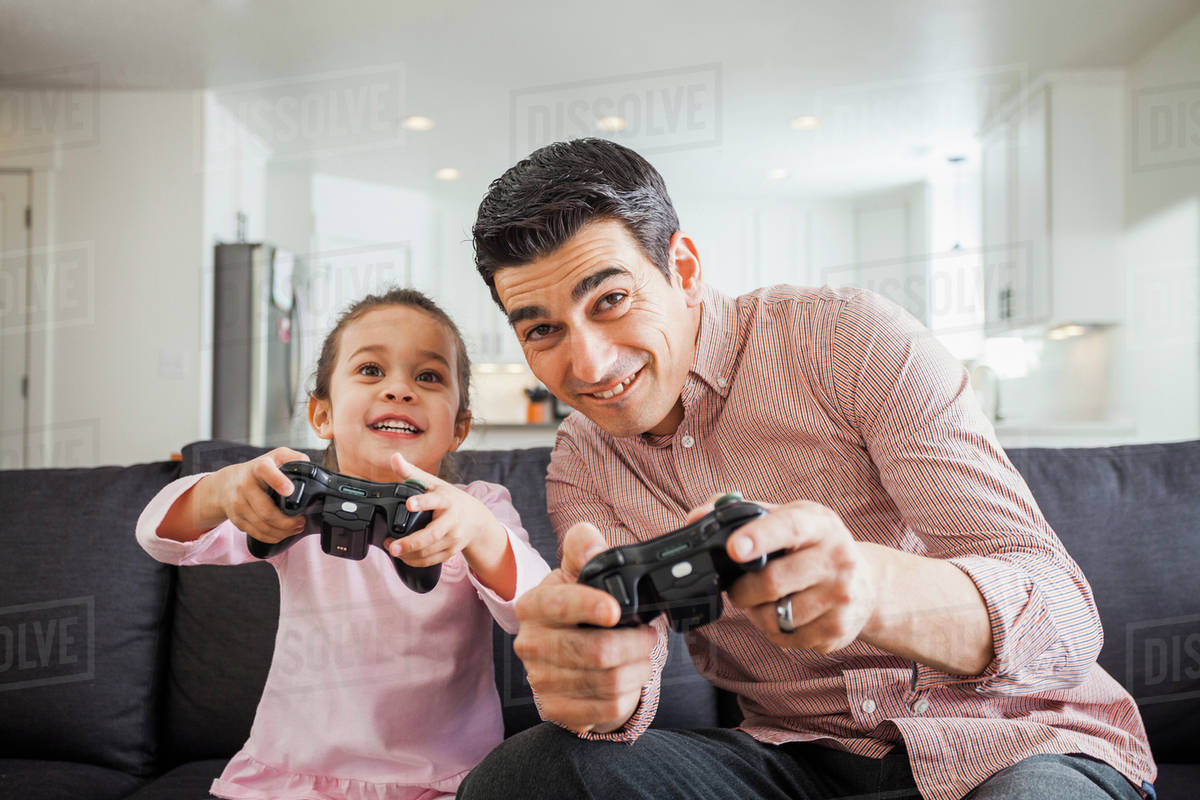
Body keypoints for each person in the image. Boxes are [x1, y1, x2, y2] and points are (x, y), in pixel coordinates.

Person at [457, 139, 1156, 800]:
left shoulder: (848, 338)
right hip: (799, 760)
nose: (588, 366)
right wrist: (595, 687)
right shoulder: (581, 457)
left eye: (610, 300)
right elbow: (625, 679)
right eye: (542, 329)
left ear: (686, 269)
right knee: (532, 773)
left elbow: (1065, 619)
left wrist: (871, 588)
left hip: (1018, 741)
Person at [135, 288, 550, 800]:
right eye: (371, 370)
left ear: (458, 427)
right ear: (322, 414)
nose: (399, 389)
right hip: (290, 776)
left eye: (428, 376)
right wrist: (223, 491)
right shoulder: (294, 499)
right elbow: (160, 537)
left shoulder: (477, 508)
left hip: (443, 781)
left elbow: (539, 611)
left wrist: (480, 533)